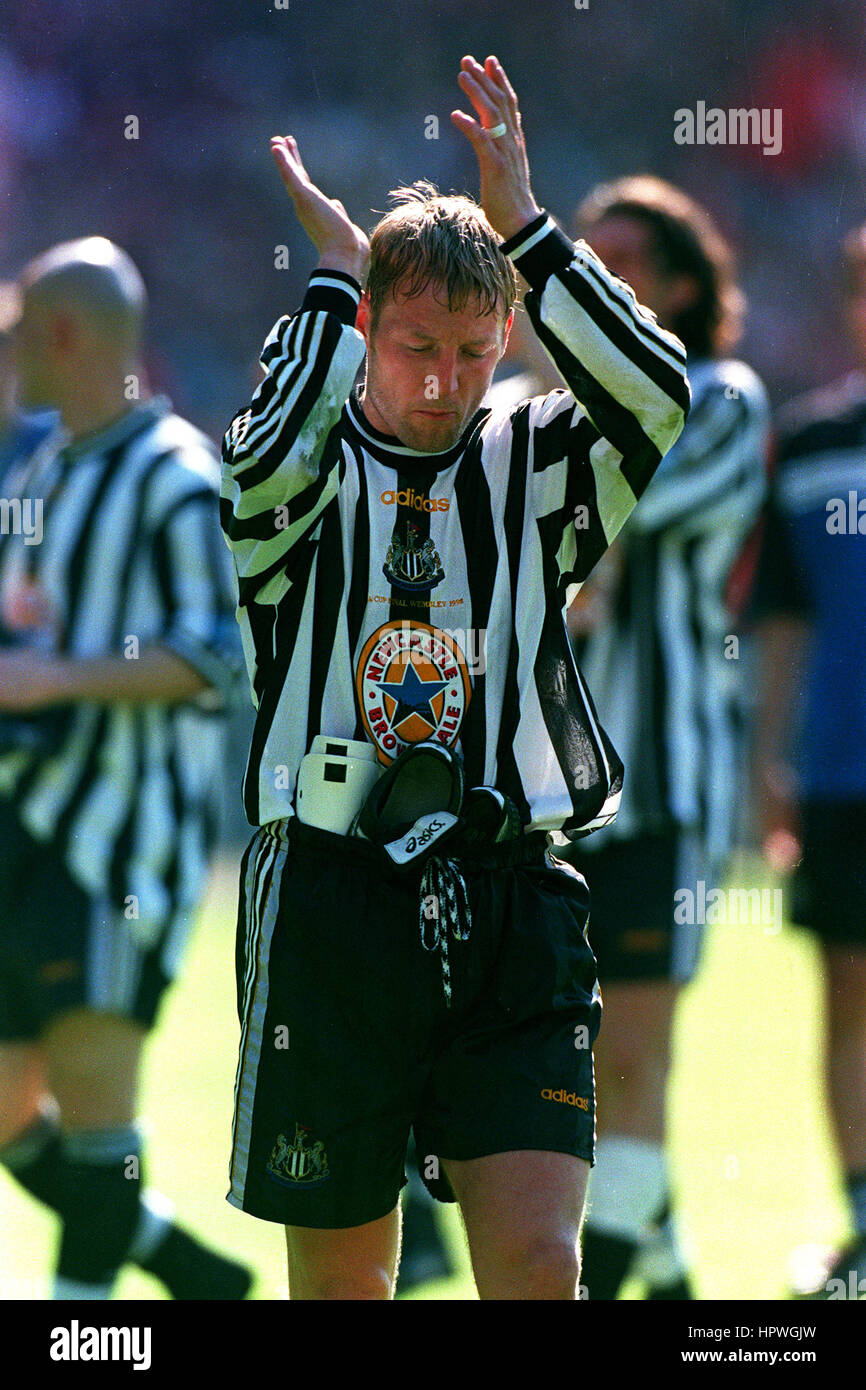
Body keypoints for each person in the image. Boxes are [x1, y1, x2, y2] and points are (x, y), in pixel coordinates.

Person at [221, 54, 689, 1301]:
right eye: (417, 343)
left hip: (512, 890)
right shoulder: (309, 459)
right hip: (327, 900)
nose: (443, 382)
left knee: (539, 1267)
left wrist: (528, 226)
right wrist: (331, 277)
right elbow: (256, 474)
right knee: (344, 1286)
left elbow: (655, 400)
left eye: (476, 350)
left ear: (509, 338)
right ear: (368, 327)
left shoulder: (537, 457)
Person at [0, 237, 251, 1300]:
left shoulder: (176, 476)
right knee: (12, 1115)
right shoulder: (48, 469)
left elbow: (215, 654)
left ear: (62, 334)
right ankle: (182, 1267)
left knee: (102, 1110)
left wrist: (56, 680)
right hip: (29, 820)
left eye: (17, 335)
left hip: (122, 838)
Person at [561, 177, 769, 1299]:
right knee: (564, 1066)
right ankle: (673, 1276)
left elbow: (612, 511)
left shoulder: (720, 394)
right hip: (548, 788)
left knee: (629, 1057)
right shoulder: (541, 404)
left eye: (624, 258)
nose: (595, 276)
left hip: (662, 781)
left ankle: (597, 1284)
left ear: (684, 285)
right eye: (582, 257)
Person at [751, 221, 866, 1299]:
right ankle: (863, 1226)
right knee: (845, 997)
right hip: (838, 776)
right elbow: (779, 621)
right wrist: (761, 763)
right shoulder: (811, 439)